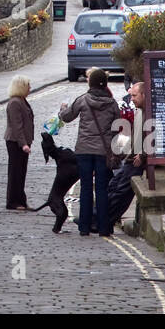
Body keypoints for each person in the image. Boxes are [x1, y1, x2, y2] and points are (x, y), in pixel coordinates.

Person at [59, 68, 122, 236]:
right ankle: (103, 228)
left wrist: (62, 109)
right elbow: (118, 127)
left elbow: (66, 116)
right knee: (102, 189)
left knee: (86, 188)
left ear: (91, 82)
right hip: (103, 151)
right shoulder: (112, 104)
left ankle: (84, 227)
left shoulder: (83, 100)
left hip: (84, 150)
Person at [106, 79, 147, 229]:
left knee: (120, 193)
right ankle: (99, 216)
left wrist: (143, 155)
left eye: (135, 96)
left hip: (137, 161)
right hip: (131, 158)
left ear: (144, 95)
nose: (132, 99)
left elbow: (154, 136)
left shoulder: (149, 113)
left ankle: (103, 220)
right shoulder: (140, 111)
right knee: (113, 186)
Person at [5, 75, 34, 210]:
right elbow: (17, 126)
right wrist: (23, 144)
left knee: (21, 172)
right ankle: (12, 202)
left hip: (22, 141)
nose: (30, 88)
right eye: (28, 86)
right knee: (15, 172)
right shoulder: (15, 103)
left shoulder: (22, 100)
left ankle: (21, 200)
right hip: (15, 142)